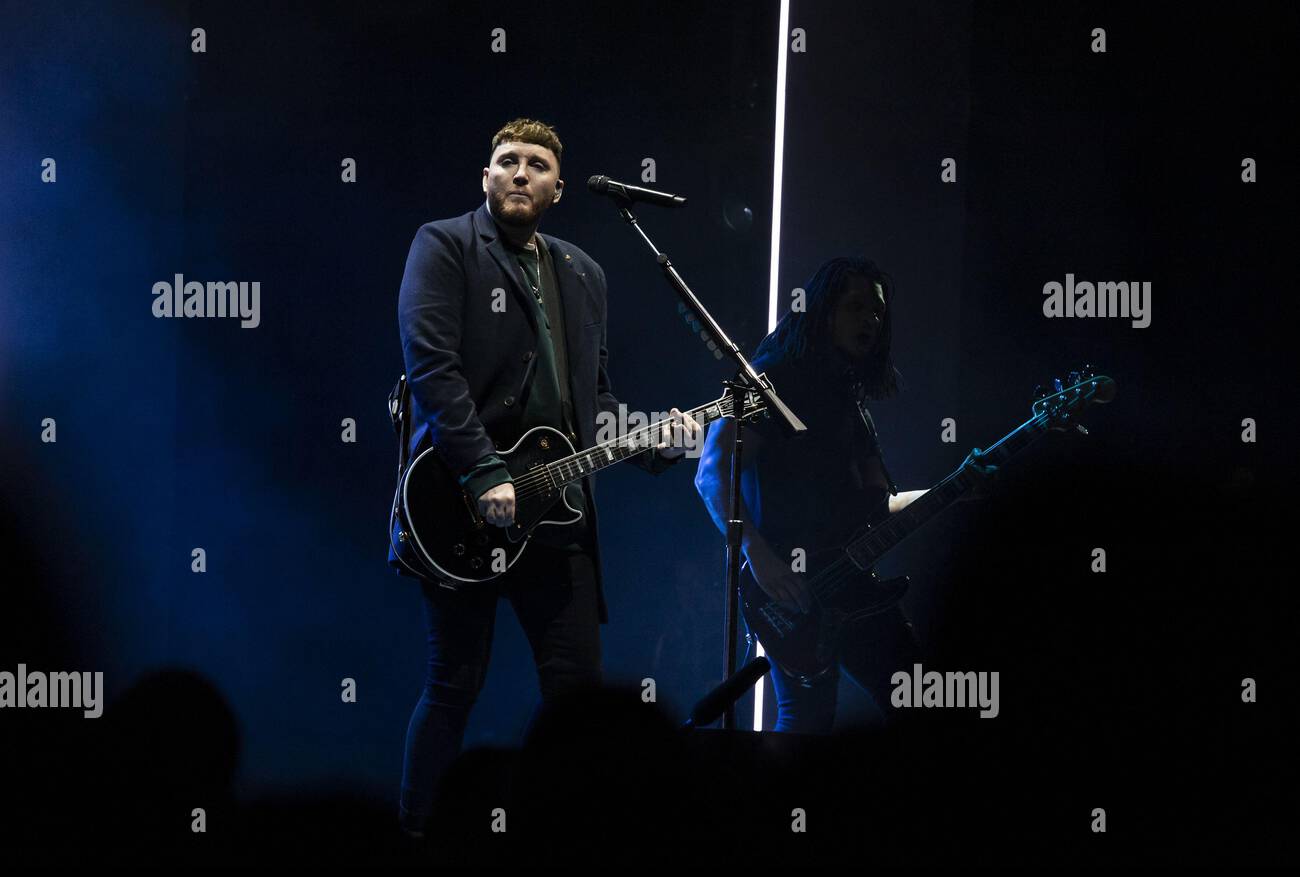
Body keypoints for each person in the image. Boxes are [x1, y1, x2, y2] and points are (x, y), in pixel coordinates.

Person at [392, 118, 700, 835]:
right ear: (485, 178)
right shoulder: (443, 245)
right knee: (452, 685)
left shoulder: (582, 272)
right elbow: (431, 368)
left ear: (559, 187)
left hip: (557, 515)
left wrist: (661, 442)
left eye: (536, 164)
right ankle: (414, 833)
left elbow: (593, 400)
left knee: (576, 697)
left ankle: (561, 830)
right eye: (506, 161)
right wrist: (482, 472)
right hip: (457, 500)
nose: (520, 172)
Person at [694, 256, 991, 733]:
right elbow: (712, 473)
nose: (869, 320)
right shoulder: (775, 377)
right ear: (822, 311)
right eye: (855, 307)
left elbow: (880, 508)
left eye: (876, 312)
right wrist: (760, 556)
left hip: (854, 588)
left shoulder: (850, 401)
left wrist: (952, 490)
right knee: (808, 722)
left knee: (925, 706)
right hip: (790, 591)